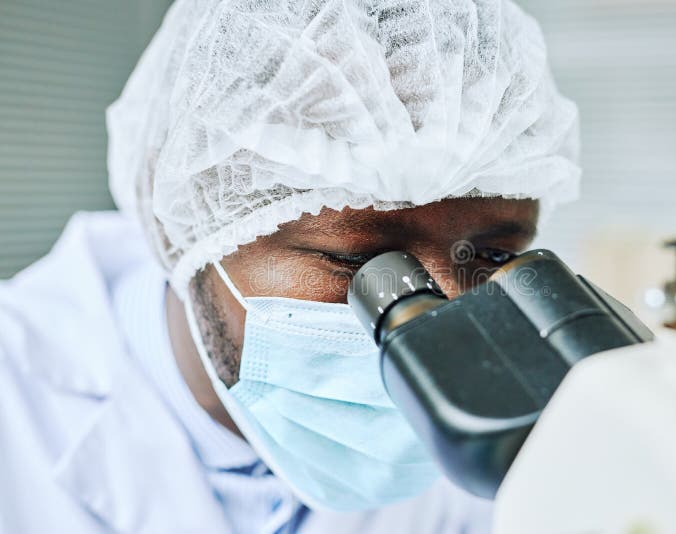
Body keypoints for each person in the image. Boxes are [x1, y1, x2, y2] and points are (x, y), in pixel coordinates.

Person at [0, 0, 579, 532]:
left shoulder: (511, 441)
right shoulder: (16, 413)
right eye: (362, 262)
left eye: (492, 257)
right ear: (183, 217)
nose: (442, 320)